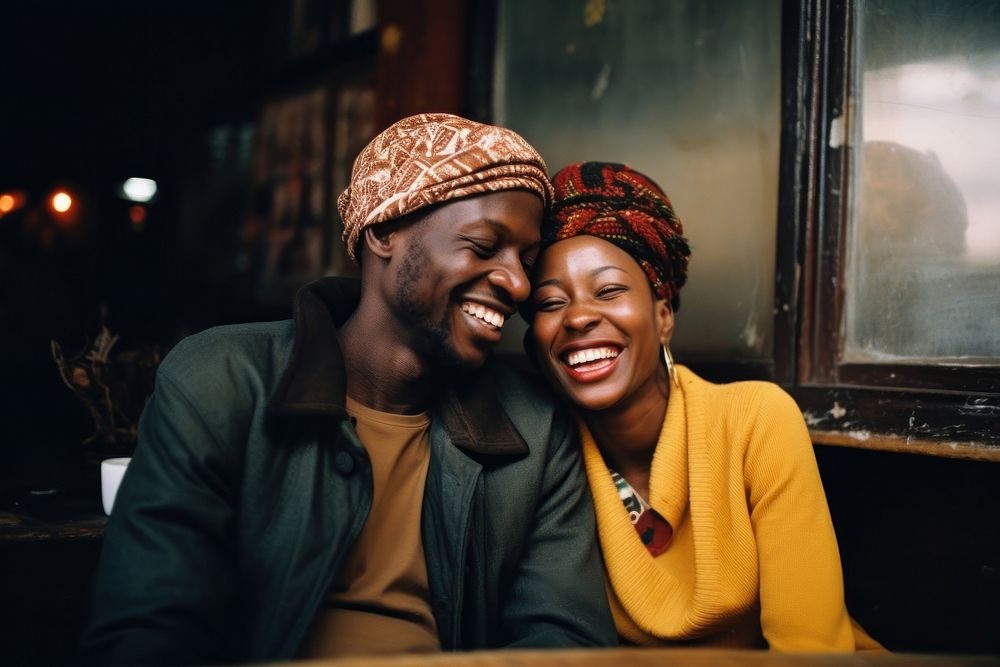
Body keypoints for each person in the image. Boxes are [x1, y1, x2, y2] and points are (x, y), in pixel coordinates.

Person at [80, 115, 615, 665]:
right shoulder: (221, 382)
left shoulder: (535, 429)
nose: (519, 284)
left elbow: (566, 643)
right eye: (483, 246)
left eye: (526, 261)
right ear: (383, 231)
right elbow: (148, 631)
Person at [523, 161, 881, 651]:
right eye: (549, 303)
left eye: (608, 291)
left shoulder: (755, 420)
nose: (579, 317)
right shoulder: (541, 461)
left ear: (663, 316)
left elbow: (810, 645)